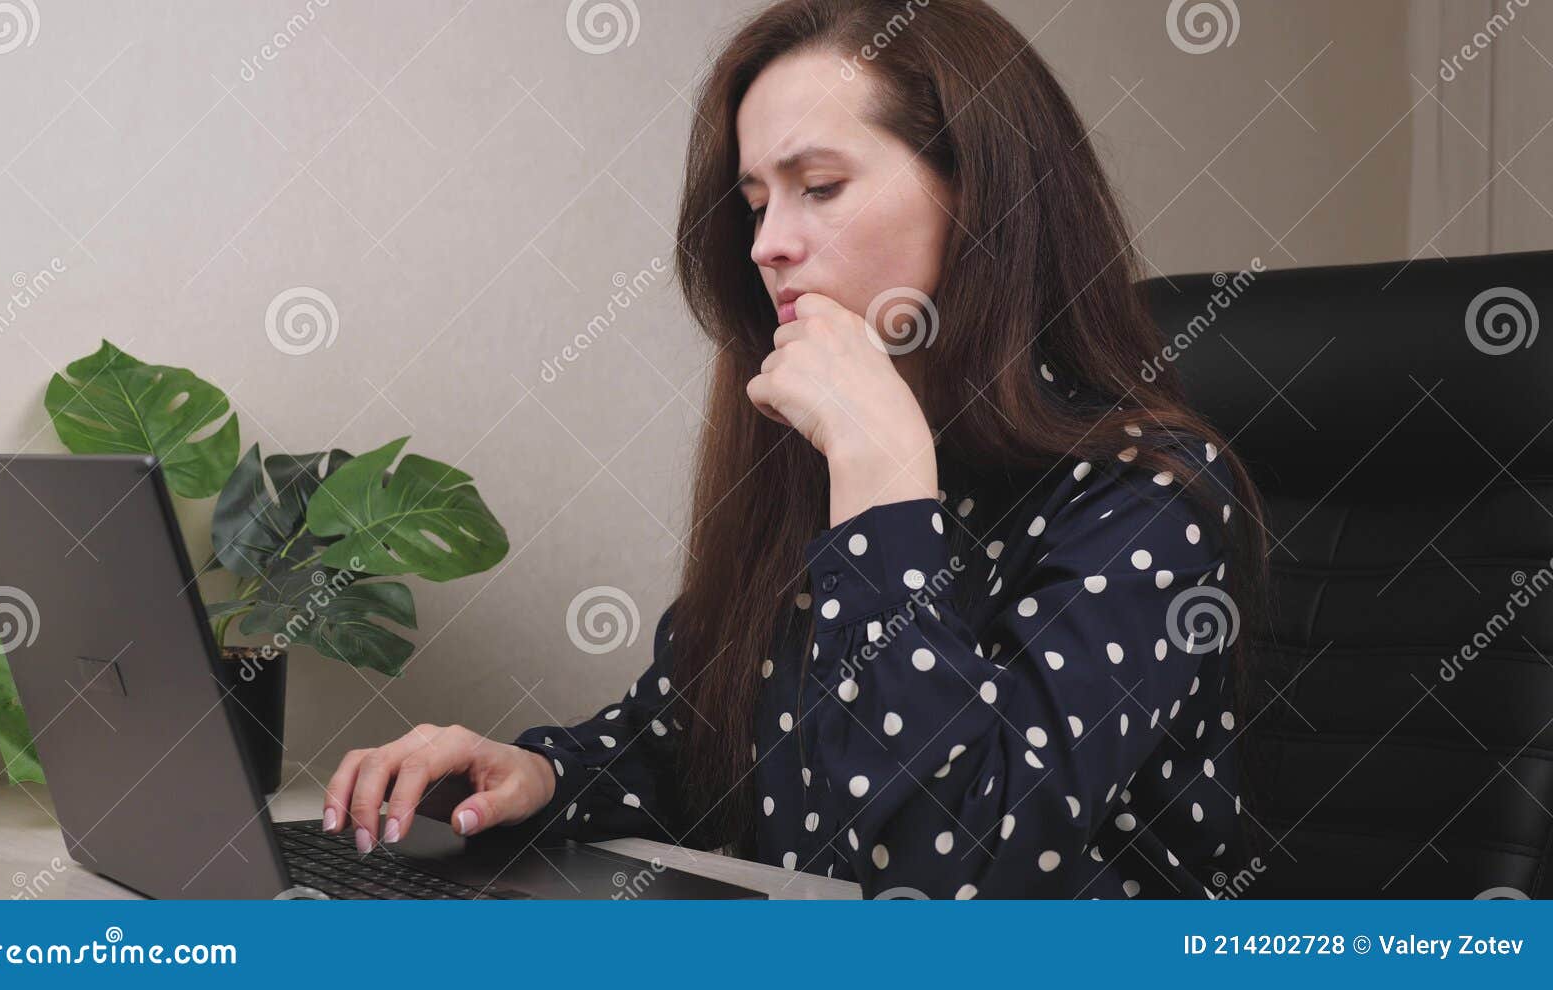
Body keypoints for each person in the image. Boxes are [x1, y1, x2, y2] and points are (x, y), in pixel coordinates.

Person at [322, 0, 1270, 899]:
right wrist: (541, 775)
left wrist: (886, 493)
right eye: (754, 203)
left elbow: (951, 879)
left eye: (819, 188)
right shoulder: (809, 456)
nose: (768, 244)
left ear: (982, 196)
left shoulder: (1150, 498)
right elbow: (694, 751)